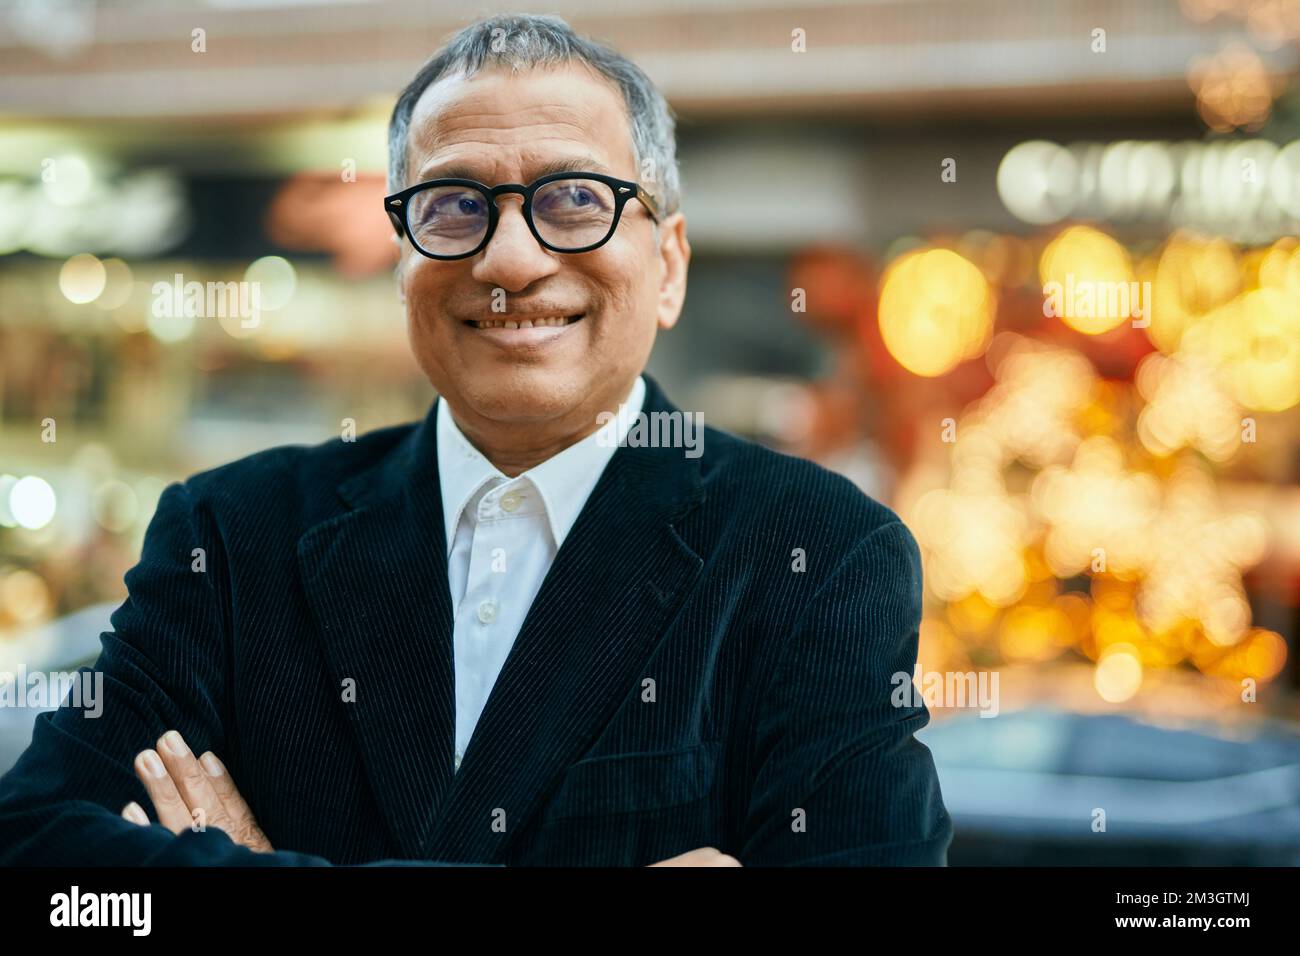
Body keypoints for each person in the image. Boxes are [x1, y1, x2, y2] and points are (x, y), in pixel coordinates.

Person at [0, 13, 951, 867]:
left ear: (667, 266)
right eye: (454, 205)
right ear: (400, 262)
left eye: (575, 198)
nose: (510, 259)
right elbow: (42, 853)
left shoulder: (814, 553)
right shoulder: (233, 535)